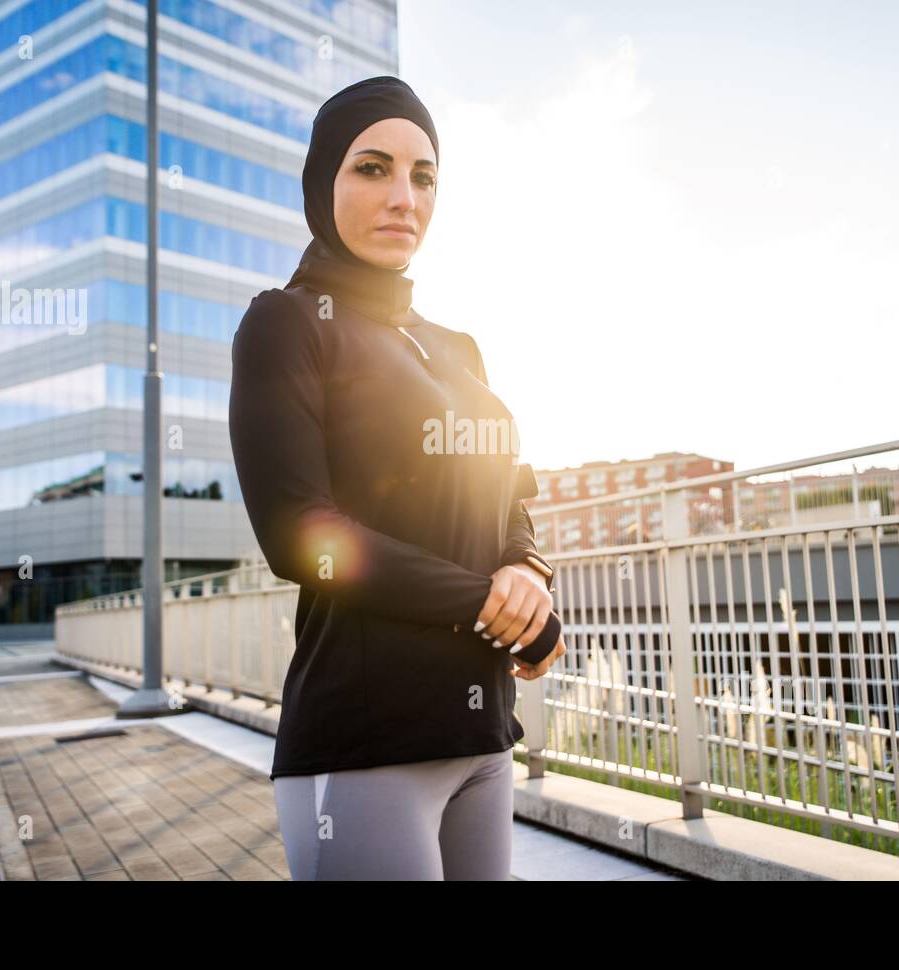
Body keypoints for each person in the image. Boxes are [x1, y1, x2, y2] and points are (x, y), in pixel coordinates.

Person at [228, 75, 566, 880]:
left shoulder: (460, 347)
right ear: (323, 185)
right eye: (371, 168)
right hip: (363, 747)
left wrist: (526, 571)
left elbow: (508, 489)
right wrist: (484, 602)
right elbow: (300, 536)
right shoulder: (285, 324)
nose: (402, 197)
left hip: (482, 738)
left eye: (423, 177)